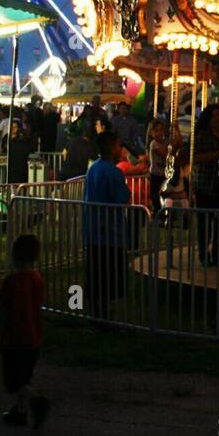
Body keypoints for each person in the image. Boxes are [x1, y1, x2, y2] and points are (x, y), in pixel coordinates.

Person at [0, 233, 49, 428]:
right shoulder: (37, 279)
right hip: (33, 338)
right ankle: (20, 412)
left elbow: (2, 308)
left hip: (14, 338)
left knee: (13, 381)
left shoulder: (11, 282)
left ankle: (37, 401)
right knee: (25, 377)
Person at [82, 132, 132, 314]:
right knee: (108, 275)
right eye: (118, 145)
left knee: (95, 273)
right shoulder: (114, 172)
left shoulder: (93, 168)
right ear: (112, 147)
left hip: (93, 230)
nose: (121, 149)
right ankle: (103, 311)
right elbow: (122, 197)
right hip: (110, 231)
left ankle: (94, 309)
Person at [190, 105, 219, 262]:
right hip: (205, 183)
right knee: (204, 222)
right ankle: (203, 253)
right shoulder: (201, 136)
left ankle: (217, 250)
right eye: (214, 116)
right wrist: (217, 154)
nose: (217, 119)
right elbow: (196, 158)